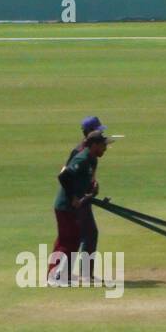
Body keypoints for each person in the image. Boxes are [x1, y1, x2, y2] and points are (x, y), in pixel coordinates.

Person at [49, 131, 109, 286]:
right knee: (67, 241)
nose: (105, 149)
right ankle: (55, 275)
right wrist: (73, 198)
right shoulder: (82, 158)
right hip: (65, 206)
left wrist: (92, 187)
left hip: (74, 207)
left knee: (74, 239)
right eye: (103, 146)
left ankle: (64, 274)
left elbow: (84, 180)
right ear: (94, 145)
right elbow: (63, 176)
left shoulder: (92, 159)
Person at [72, 116, 106, 282]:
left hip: (83, 197)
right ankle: (85, 275)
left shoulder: (92, 151)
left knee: (86, 234)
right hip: (77, 199)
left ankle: (83, 273)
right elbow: (69, 175)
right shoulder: (81, 153)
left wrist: (92, 185)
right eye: (98, 130)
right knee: (89, 233)